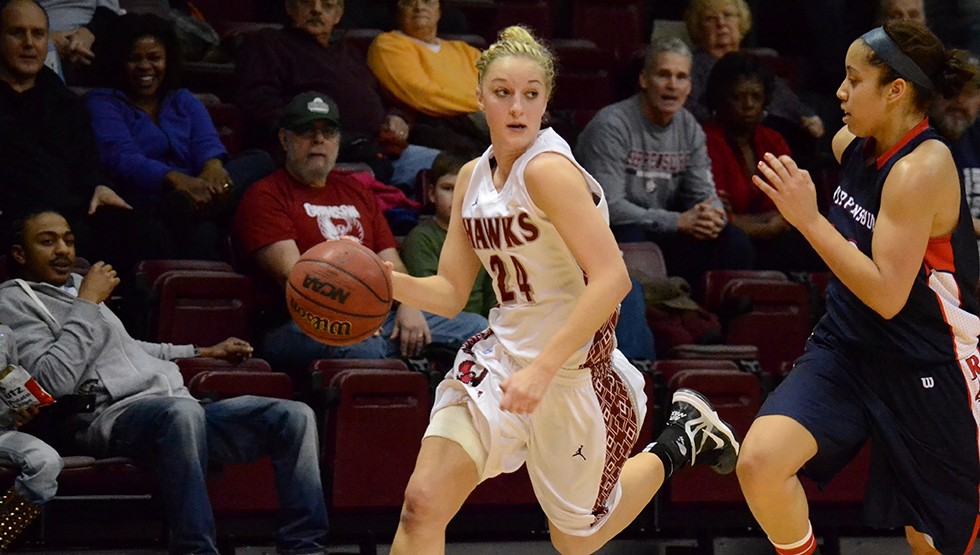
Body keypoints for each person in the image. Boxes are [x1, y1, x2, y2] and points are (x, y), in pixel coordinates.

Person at [384, 26, 739, 553]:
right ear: (479, 96)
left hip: (572, 375)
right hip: (501, 361)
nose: (516, 106)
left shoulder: (549, 171)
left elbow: (614, 279)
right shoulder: (470, 178)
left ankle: (680, 439)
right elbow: (452, 293)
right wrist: (385, 287)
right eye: (502, 92)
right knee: (421, 505)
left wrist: (544, 367)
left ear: (546, 101)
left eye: (531, 93)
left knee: (576, 541)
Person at [737, 20, 979, 555]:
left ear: (896, 90)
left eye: (854, 79)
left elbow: (888, 295)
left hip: (927, 362)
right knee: (760, 462)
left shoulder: (922, 167)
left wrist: (808, 219)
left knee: (933, 543)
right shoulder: (855, 143)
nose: (840, 92)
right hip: (848, 347)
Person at [0, 209, 329, 555]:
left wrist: (204, 350)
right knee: (180, 415)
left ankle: (303, 546)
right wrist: (87, 302)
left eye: (68, 240)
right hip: (112, 418)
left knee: (295, 417)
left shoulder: (76, 295)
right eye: (47, 242)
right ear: (20, 254)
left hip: (177, 408)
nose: (63, 250)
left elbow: (129, 349)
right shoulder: (14, 302)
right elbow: (52, 380)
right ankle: (195, 550)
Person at [234, 91, 487, 371]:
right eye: (307, 131)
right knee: (368, 347)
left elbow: (392, 261)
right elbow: (296, 280)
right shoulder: (266, 195)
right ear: (284, 139)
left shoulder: (356, 191)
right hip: (302, 323)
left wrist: (409, 304)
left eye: (328, 132)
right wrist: (358, 314)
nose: (319, 140)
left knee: (476, 329)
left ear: (338, 141)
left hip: (374, 316)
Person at [85, 13, 274, 261]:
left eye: (154, 58)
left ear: (168, 60)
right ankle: (192, 206)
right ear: (119, 62)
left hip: (196, 193)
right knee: (203, 230)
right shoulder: (102, 103)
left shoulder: (182, 99)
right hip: (147, 199)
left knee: (261, 160)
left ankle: (193, 205)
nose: (145, 67)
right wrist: (176, 181)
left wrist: (212, 169)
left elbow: (206, 141)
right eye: (134, 59)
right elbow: (123, 158)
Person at [576, 36, 754, 291]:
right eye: (663, 75)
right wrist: (678, 221)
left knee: (733, 241)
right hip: (610, 233)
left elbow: (704, 194)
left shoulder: (689, 128)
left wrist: (712, 214)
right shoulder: (611, 126)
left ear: (690, 86)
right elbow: (609, 207)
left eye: (681, 77)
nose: (672, 85)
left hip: (661, 229)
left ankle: (715, 322)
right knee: (634, 239)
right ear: (644, 80)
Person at [235, 0, 439, 189]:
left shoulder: (347, 50)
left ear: (338, 14)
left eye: (327, 5)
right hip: (324, 155)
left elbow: (379, 97)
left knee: (462, 171)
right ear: (290, 8)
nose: (316, 9)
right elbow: (259, 105)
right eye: (307, 2)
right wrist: (333, 138)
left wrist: (396, 117)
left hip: (382, 150)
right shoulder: (269, 43)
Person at [702, 51, 824, 272]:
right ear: (719, 100)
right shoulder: (704, 141)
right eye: (737, 97)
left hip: (776, 236)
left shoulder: (774, 140)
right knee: (735, 242)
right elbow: (715, 217)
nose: (748, 105)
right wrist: (766, 227)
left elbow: (792, 204)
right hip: (724, 242)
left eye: (756, 97)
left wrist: (766, 221)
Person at [683, 0, 825, 152]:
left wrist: (807, 116)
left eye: (728, 15)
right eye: (710, 19)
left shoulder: (753, 63)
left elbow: (790, 102)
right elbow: (694, 117)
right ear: (698, 28)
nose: (721, 24)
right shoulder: (689, 69)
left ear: (741, 22)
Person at [366, 0, 489, 152]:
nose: (419, 7)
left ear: (439, 10)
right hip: (436, 126)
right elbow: (422, 94)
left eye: (428, 1)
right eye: (409, 2)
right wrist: (483, 103)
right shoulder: (388, 45)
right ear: (397, 12)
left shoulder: (466, 52)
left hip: (485, 119)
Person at [401, 150, 495, 318]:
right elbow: (428, 298)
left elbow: (494, 294)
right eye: (448, 188)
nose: (458, 196)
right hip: (439, 322)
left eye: (467, 188)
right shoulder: (421, 238)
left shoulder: (487, 236)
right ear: (431, 194)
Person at [0, 325, 63, 551]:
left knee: (46, 462)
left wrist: (21, 409)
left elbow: (9, 383)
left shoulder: (4, 334)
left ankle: (2, 531)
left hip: (2, 433)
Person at [931, 55, 980, 258]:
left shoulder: (976, 136)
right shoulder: (917, 143)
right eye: (950, 91)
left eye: (969, 92)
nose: (959, 100)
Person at [38, 0, 121, 75]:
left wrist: (88, 33)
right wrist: (48, 40)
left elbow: (109, 11)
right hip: (42, 36)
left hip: (91, 35)